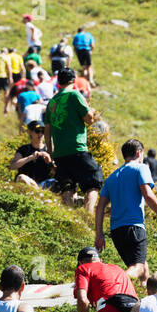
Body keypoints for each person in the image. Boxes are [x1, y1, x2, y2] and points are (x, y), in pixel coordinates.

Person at [95, 137, 157, 279]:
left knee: (141, 265)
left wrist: (99, 234)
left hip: (116, 231)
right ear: (139, 152)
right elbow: (147, 194)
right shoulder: (141, 168)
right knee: (139, 266)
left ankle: (146, 292)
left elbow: (100, 207)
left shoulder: (112, 177)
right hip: (134, 227)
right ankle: (115, 283)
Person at [43, 68, 104, 214]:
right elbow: (89, 120)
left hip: (59, 152)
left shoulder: (51, 102)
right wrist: (90, 110)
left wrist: (51, 154)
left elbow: (47, 131)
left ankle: (70, 219)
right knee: (93, 181)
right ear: (73, 80)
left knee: (67, 186)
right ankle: (88, 216)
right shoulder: (74, 95)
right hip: (77, 148)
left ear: (59, 82)